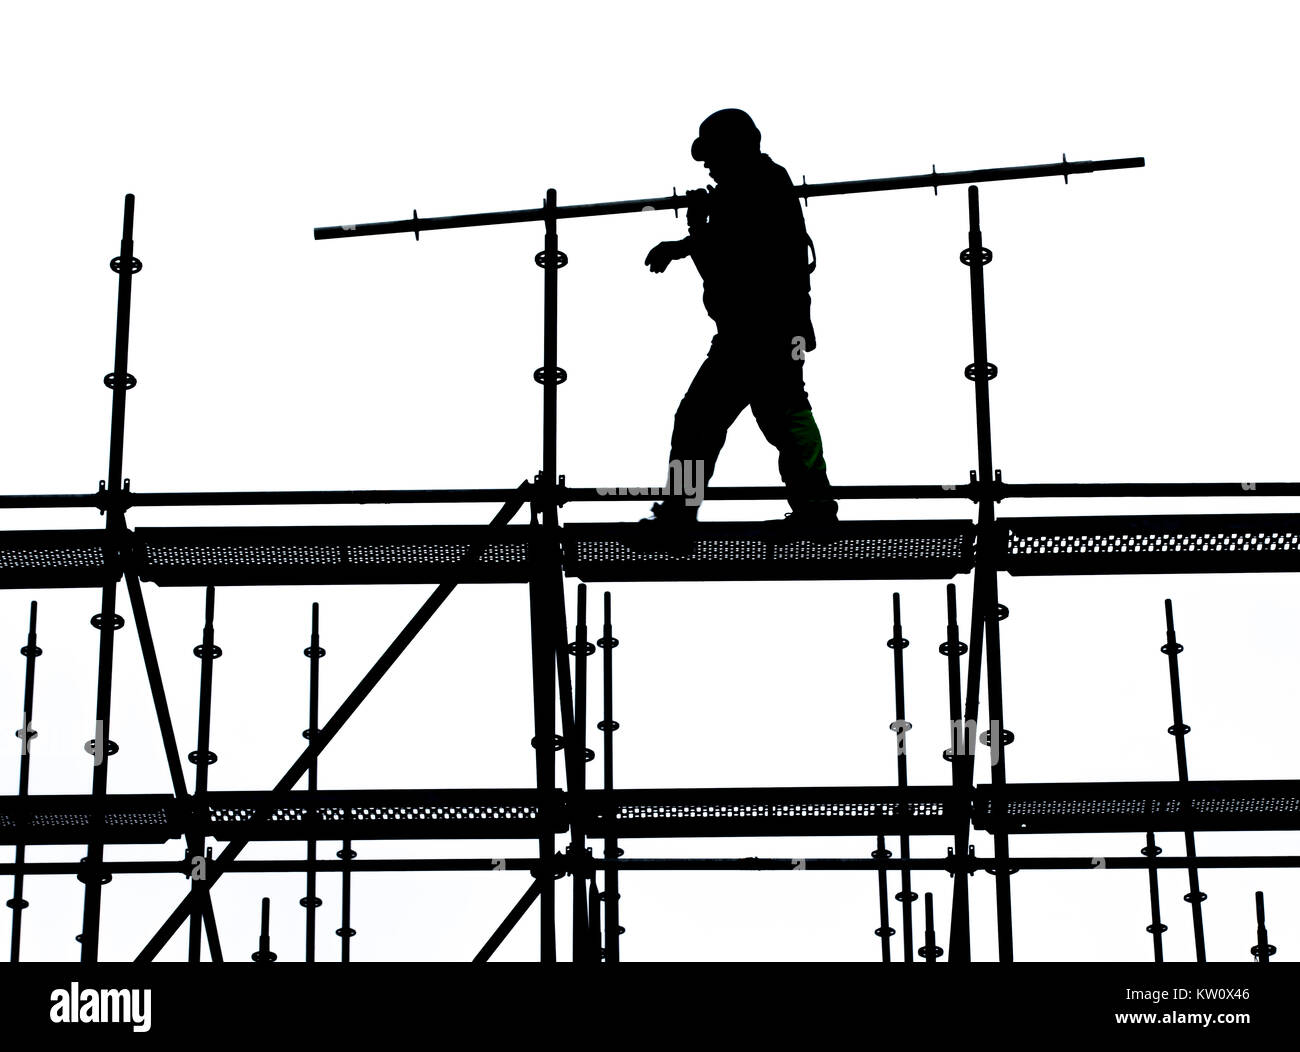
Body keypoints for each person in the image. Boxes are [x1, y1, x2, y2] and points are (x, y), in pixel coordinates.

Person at [635, 108, 837, 550]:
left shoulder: (759, 184)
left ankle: (680, 514)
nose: (708, 166)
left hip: (759, 333)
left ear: (735, 147)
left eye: (713, 155)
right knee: (781, 421)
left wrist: (688, 239)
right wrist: (695, 231)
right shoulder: (752, 186)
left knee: (711, 420)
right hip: (762, 332)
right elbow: (724, 265)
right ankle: (814, 509)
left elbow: (736, 250)